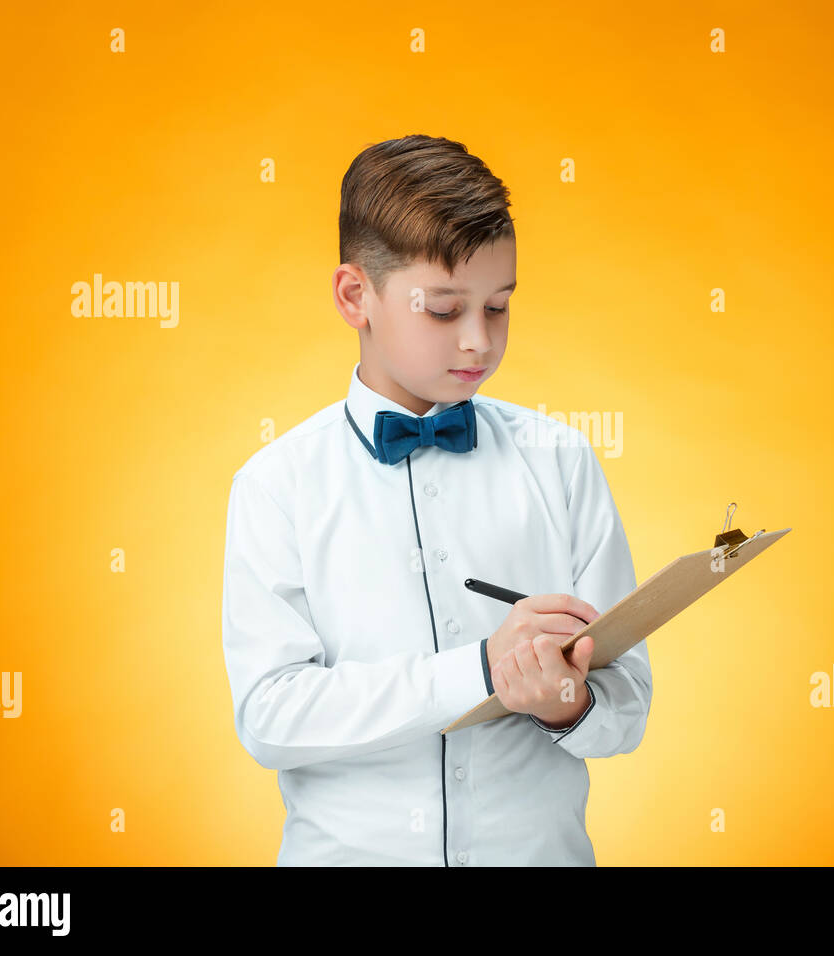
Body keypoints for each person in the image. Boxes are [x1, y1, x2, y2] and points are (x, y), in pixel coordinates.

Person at [221, 134, 652, 865]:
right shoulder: (276, 484)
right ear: (356, 296)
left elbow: (629, 709)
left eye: (500, 307)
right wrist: (480, 671)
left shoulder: (563, 462)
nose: (479, 342)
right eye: (445, 312)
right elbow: (271, 717)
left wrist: (570, 705)